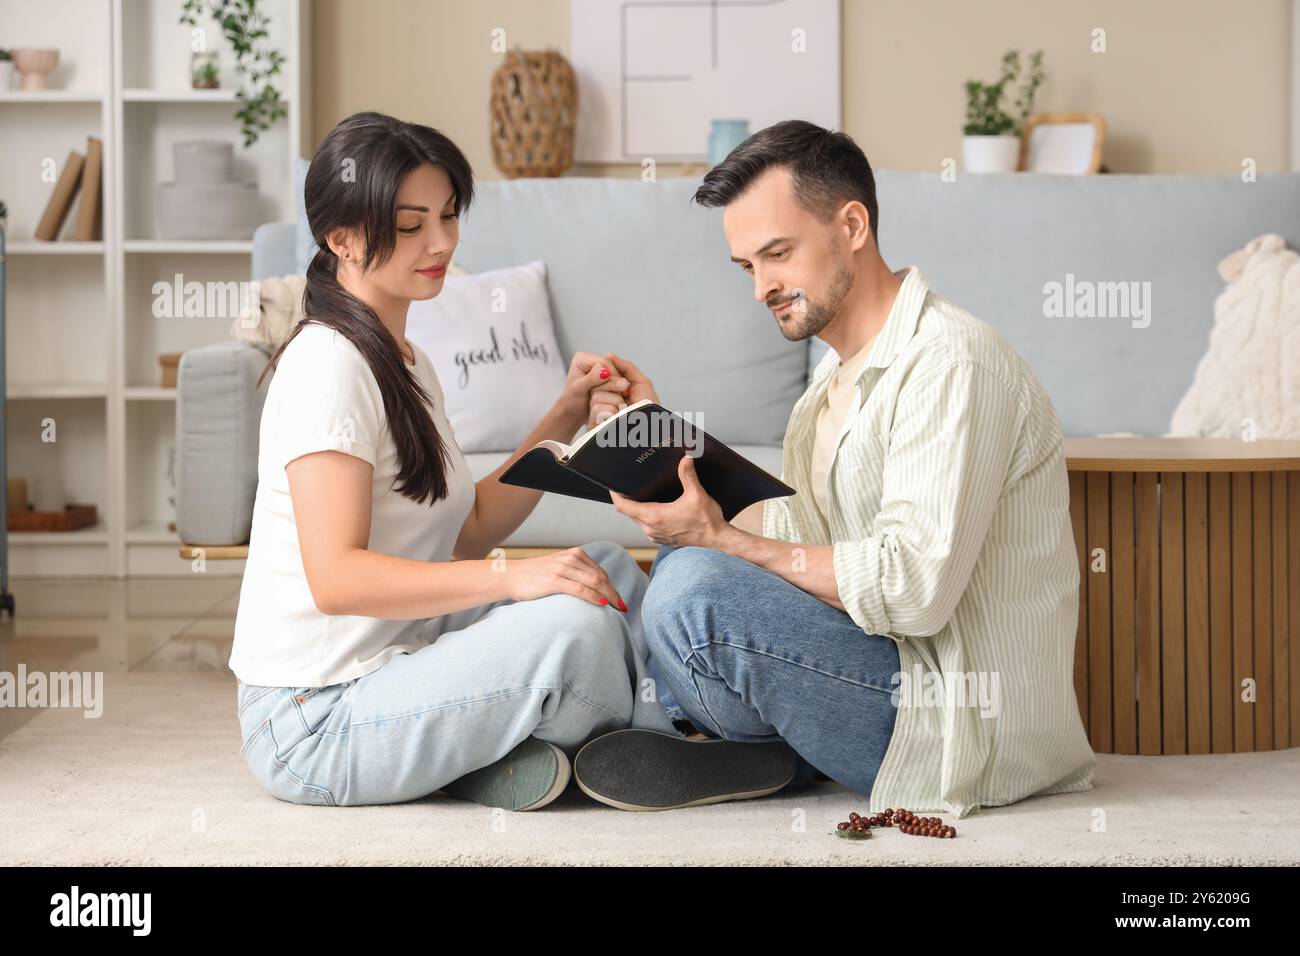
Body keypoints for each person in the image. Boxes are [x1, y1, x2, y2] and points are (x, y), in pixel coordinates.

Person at [570, 120, 1097, 818]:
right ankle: (737, 747)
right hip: (877, 668)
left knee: (693, 591)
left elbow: (912, 591)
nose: (761, 287)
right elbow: (803, 538)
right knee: (627, 565)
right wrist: (665, 454)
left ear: (852, 225)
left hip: (954, 724)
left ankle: (733, 744)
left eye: (777, 254)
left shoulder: (951, 363)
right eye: (747, 268)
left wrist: (722, 543)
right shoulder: (829, 386)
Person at [228, 111, 752, 811]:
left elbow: (467, 524)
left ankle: (568, 741)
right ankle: (664, 742)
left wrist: (565, 415)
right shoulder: (329, 365)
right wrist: (513, 579)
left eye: (448, 215)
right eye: (412, 225)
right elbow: (337, 578)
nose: (441, 241)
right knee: (573, 627)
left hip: (393, 663)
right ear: (342, 238)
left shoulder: (404, 360)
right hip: (314, 721)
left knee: (608, 568)